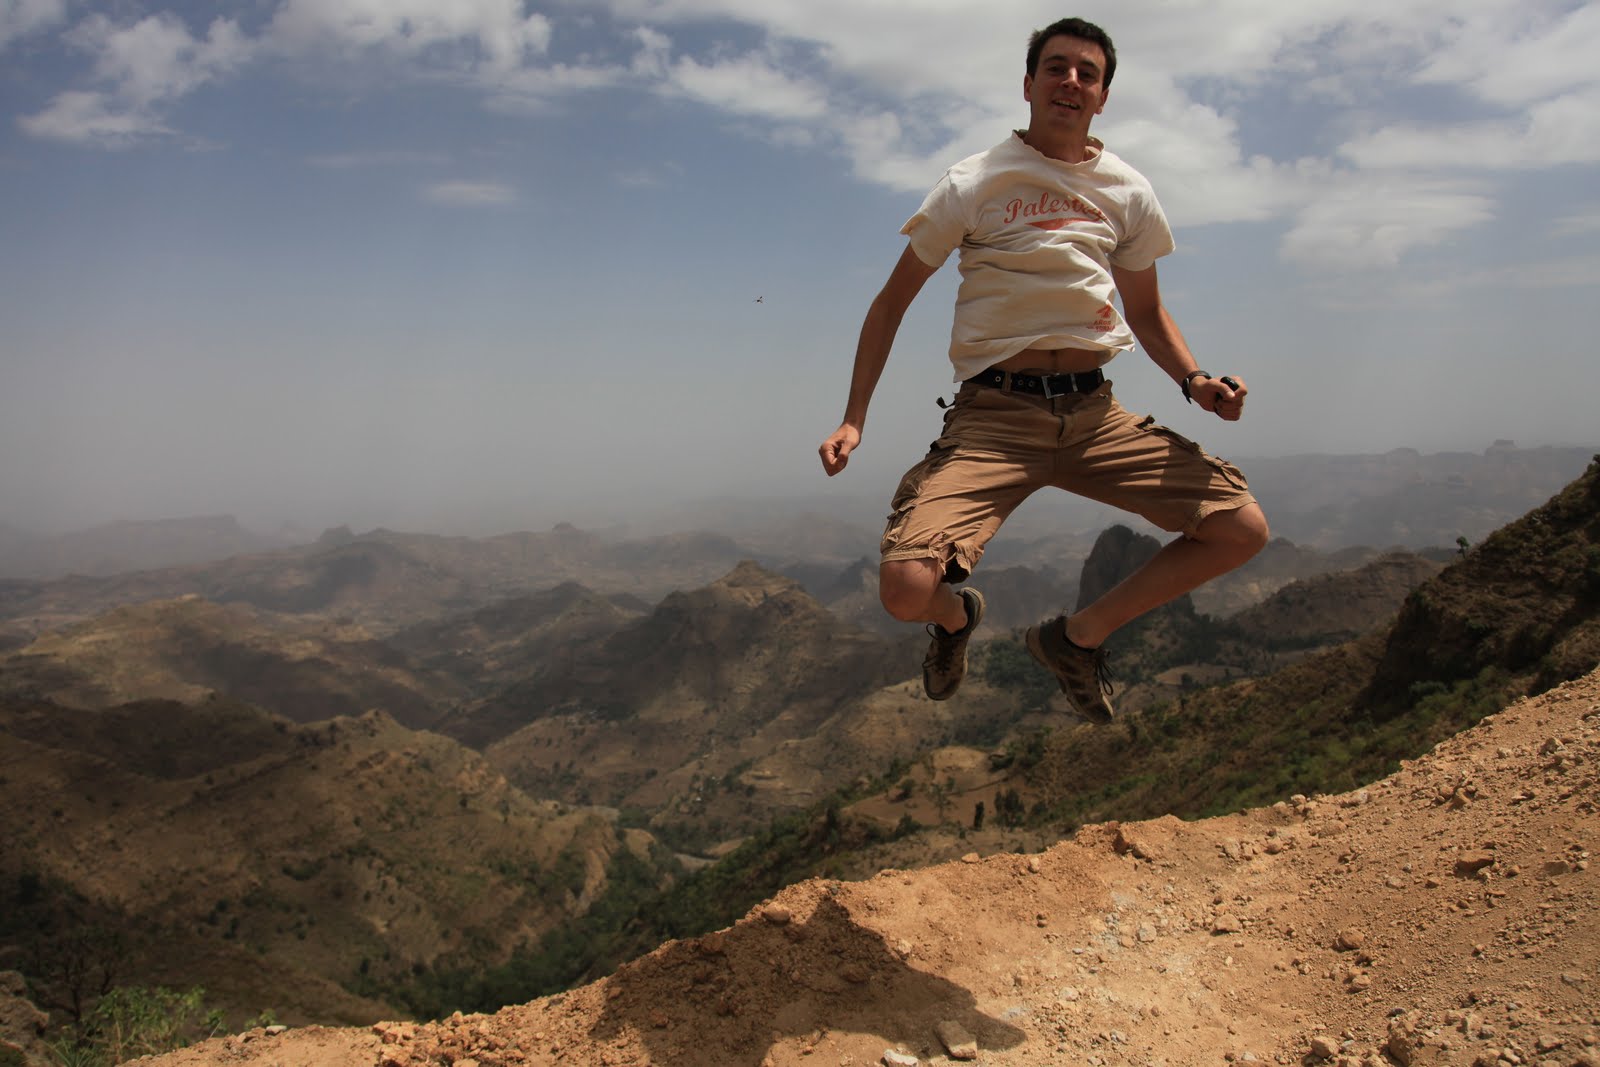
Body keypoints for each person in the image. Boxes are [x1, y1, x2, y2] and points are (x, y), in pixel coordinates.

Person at [818, 16, 1269, 722]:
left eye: (1087, 73)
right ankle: (957, 617)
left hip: (1095, 414)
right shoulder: (974, 182)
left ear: (1103, 97)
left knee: (1242, 528)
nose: (1071, 82)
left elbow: (1147, 313)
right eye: (1056, 68)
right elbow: (889, 305)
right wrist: (854, 417)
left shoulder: (1128, 192)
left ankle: (1076, 639)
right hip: (995, 417)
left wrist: (1195, 381)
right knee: (906, 587)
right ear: (1028, 84)